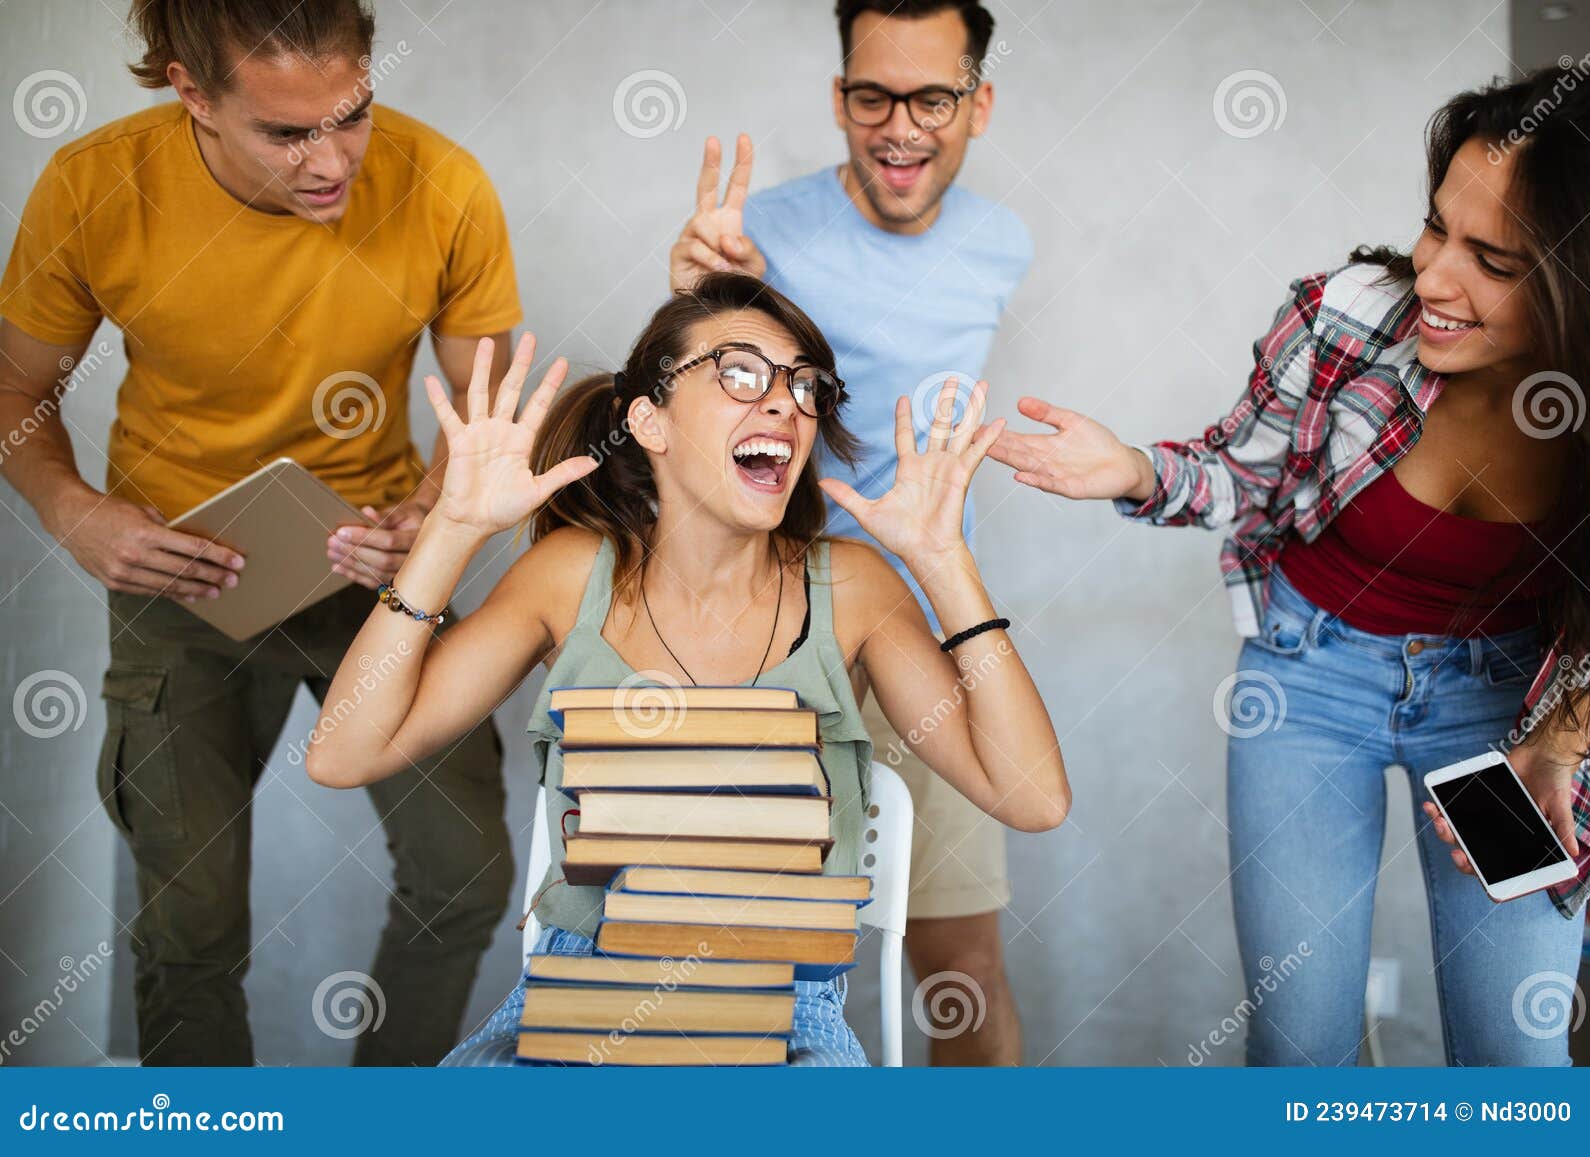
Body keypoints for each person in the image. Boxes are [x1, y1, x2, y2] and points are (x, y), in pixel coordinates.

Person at [302, 272, 1071, 1066]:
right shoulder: (569, 576)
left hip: (787, 1007)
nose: (784, 402)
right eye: (740, 372)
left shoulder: (853, 589)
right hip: (578, 992)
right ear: (650, 420)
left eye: (805, 384)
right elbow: (343, 752)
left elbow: (1034, 797)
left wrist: (944, 561)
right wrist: (451, 529)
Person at [990, 67, 1590, 1066]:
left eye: (1491, 258)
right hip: (1313, 678)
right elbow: (1245, 474)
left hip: (1508, 712)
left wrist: (1565, 736)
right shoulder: (1348, 321)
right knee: (1296, 1042)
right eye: (1435, 225)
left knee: (1513, 1056)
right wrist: (1135, 467)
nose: (1434, 276)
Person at [0, 0, 522, 1064]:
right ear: (192, 94)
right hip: (178, 582)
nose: (333, 161)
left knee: (464, 872)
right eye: (288, 133)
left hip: (375, 575)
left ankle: (386, 1125)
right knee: (189, 925)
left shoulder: (446, 182)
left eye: (354, 115)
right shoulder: (95, 186)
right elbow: (16, 387)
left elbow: (490, 404)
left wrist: (428, 517)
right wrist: (74, 511)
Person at [667, 0, 1033, 1064]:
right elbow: (688, 426)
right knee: (739, 971)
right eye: (872, 94)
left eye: (932, 96)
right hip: (770, 642)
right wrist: (699, 300)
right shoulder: (757, 233)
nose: (900, 125)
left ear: (979, 104)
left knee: (961, 969)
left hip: (929, 637)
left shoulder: (1001, 244)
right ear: (839, 100)